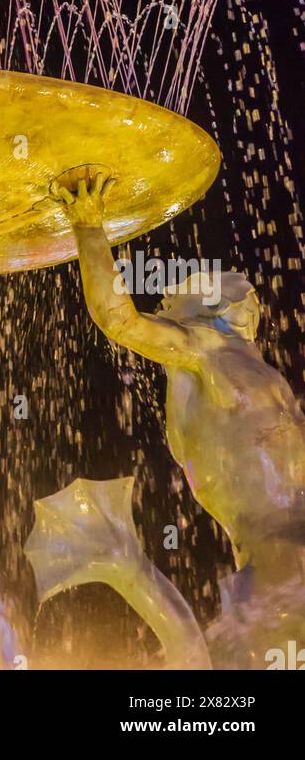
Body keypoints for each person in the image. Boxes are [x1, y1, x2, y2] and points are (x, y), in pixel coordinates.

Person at [51, 168, 305, 592]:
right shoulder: (201, 350)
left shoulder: (263, 370)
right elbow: (119, 320)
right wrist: (89, 225)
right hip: (278, 559)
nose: (252, 298)